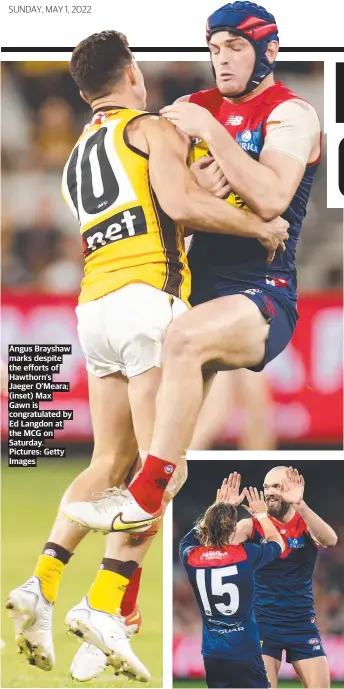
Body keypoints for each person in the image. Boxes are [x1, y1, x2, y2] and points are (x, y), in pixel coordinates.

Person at [7, 29, 287, 678]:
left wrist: (198, 187)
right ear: (133, 74)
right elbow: (177, 207)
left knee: (111, 460)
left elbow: (154, 211)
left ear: (84, 92)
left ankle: (43, 581)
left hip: (95, 308)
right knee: (168, 466)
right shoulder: (153, 127)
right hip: (145, 304)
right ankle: (106, 604)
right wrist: (257, 222)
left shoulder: (79, 152)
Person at [64, 2, 320, 534]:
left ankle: (148, 491)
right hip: (189, 288)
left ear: (269, 52)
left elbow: (271, 197)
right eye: (214, 49)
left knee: (182, 350)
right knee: (146, 452)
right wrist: (197, 184)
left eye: (235, 48)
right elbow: (174, 202)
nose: (221, 60)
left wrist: (211, 131)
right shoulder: (185, 109)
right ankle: (113, 601)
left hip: (260, 289)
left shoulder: (291, 112)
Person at [217, 468, 337, 688]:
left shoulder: (304, 524)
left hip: (302, 624)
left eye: (276, 486)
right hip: (262, 623)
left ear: (293, 489)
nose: (269, 492)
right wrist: (222, 510)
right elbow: (213, 550)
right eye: (266, 487)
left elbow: (330, 540)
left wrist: (301, 504)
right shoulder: (251, 526)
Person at [180, 485, 285, 688]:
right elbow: (277, 544)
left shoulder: (192, 556)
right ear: (232, 529)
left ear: (206, 525)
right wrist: (262, 515)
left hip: (213, 653)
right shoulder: (245, 553)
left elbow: (188, 539)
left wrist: (217, 507)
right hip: (244, 650)